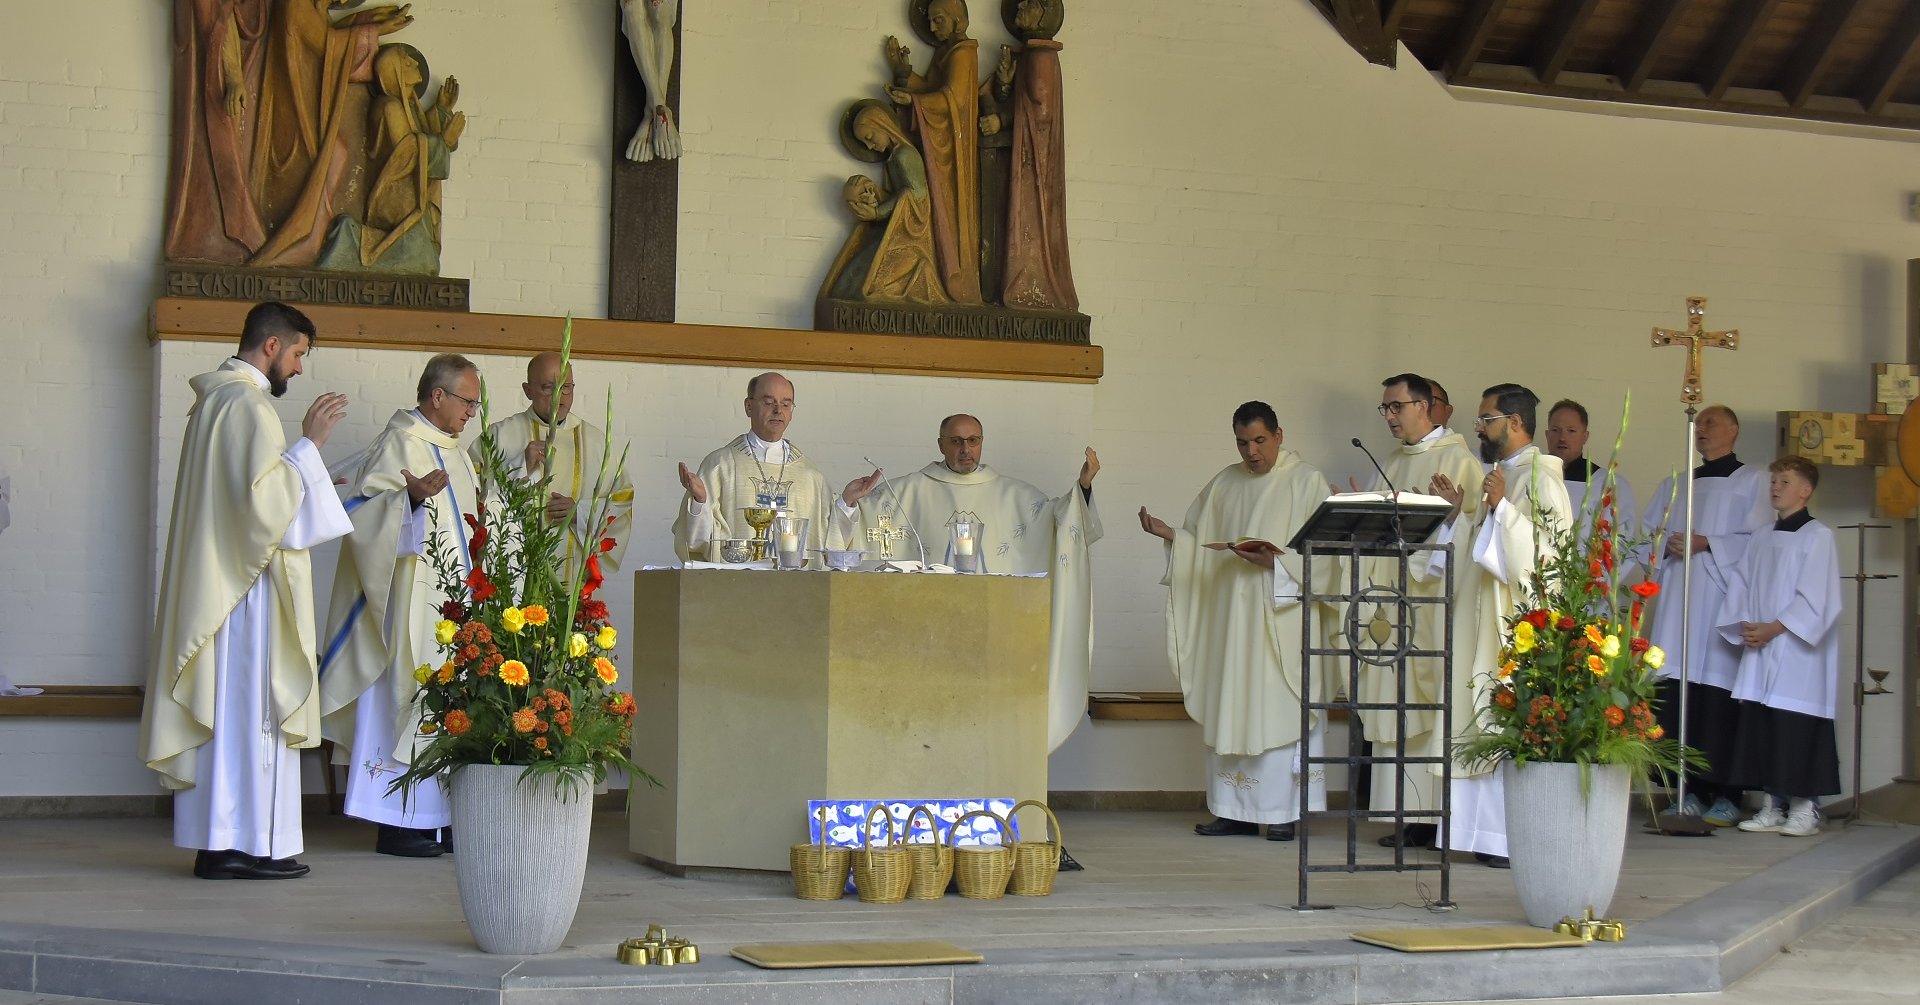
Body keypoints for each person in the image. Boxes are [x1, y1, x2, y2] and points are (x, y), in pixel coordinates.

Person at [140, 302, 351, 880]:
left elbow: (246, 497)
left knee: (233, 713)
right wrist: (308, 447)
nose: (300, 369)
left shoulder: (216, 402)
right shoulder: (246, 405)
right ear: (272, 346)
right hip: (245, 598)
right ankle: (242, 846)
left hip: (226, 586)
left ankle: (225, 842)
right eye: (299, 354)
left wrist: (305, 478)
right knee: (250, 713)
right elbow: (260, 512)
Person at [844, 414, 1101, 750]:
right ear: (940, 444)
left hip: (992, 640)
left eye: (973, 440)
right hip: (925, 637)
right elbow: (857, 523)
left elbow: (1062, 521)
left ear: (982, 443)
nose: (965, 449)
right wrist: (849, 503)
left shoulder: (1015, 496)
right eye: (955, 441)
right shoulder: (905, 492)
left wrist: (1082, 487)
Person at [1139, 402, 1331, 842]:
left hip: (1281, 621)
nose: (1251, 452)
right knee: (1233, 703)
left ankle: (1284, 811)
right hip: (1232, 622)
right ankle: (1234, 810)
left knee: (1279, 704)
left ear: (1279, 435)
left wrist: (1278, 563)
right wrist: (1173, 537)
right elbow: (1199, 539)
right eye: (1243, 443)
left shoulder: (1307, 483)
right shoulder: (1224, 483)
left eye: (1260, 441)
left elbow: (1328, 558)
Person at [319, 353, 483, 858]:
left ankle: (439, 819)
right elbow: (361, 515)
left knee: (451, 703)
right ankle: (397, 819)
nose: (472, 412)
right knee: (404, 697)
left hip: (452, 606)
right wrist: (407, 502)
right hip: (407, 607)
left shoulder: (457, 451)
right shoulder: (399, 443)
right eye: (467, 401)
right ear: (438, 396)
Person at [1430, 384, 1573, 867]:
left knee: (1500, 719)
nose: (1479, 428)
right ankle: (1475, 833)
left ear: (1515, 422)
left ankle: (1503, 839)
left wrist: (1501, 510)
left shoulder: (1541, 478)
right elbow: (1477, 548)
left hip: (1513, 629)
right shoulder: (1499, 475)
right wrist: (1461, 512)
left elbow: (1550, 561)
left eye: (1486, 419)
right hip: (1479, 622)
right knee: (1475, 719)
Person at [1359, 373, 1485, 850]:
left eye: (1396, 406)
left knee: (1427, 709)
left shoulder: (1459, 460)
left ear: (1426, 406)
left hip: (1432, 608)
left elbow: (1475, 535)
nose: (1389, 416)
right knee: (1394, 707)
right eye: (1385, 408)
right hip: (1390, 607)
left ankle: (1434, 815)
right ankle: (1406, 814)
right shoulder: (1390, 460)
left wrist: (1453, 519)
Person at [1640, 404, 1773, 827]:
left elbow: (1763, 542)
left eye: (1711, 423)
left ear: (1733, 430)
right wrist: (1666, 546)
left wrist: (1708, 543)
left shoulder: (1753, 481)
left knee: (1719, 698)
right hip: (1679, 604)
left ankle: (1729, 794)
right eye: (1698, 425)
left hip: (1720, 605)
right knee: (1680, 696)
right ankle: (1689, 790)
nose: (1701, 431)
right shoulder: (1677, 484)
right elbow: (1646, 538)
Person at [1723, 457, 1842, 837]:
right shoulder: (1761, 537)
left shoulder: (1817, 536)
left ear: (1805, 491)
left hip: (1796, 652)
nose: (1775, 487)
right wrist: (1747, 624)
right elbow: (1741, 584)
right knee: (1766, 725)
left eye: (1785, 481)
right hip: (1762, 643)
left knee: (1796, 725)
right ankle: (1773, 804)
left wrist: (1775, 628)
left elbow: (1818, 598)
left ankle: (1806, 808)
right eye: (1773, 480)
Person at [672, 372, 877, 561]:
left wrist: (847, 502)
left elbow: (829, 538)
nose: (778, 410)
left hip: (795, 589)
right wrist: (700, 501)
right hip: (737, 588)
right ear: (749, 407)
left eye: (786, 404)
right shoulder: (720, 466)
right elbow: (699, 542)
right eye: (769, 402)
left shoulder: (809, 475)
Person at [473, 352, 633, 580]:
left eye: (567, 387)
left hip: (576, 574)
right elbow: (470, 497)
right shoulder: (498, 437)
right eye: (548, 387)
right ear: (528, 390)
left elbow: (622, 500)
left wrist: (581, 513)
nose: (560, 396)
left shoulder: (597, 442)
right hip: (512, 580)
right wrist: (520, 467)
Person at [883, 0, 993, 303]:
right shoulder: (945, 52)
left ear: (958, 20)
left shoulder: (964, 51)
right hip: (942, 144)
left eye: (938, 20)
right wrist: (904, 74)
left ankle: (958, 278)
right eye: (930, 21)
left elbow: (953, 101)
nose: (932, 28)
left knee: (953, 207)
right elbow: (932, 86)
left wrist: (913, 103)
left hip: (954, 150)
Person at [1544, 399, 1638, 551]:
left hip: (1586, 574)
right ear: (1547, 435)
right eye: (1555, 430)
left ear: (1585, 436)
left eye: (1571, 431)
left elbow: (1621, 540)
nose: (1562, 437)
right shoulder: (1529, 479)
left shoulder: (1606, 484)